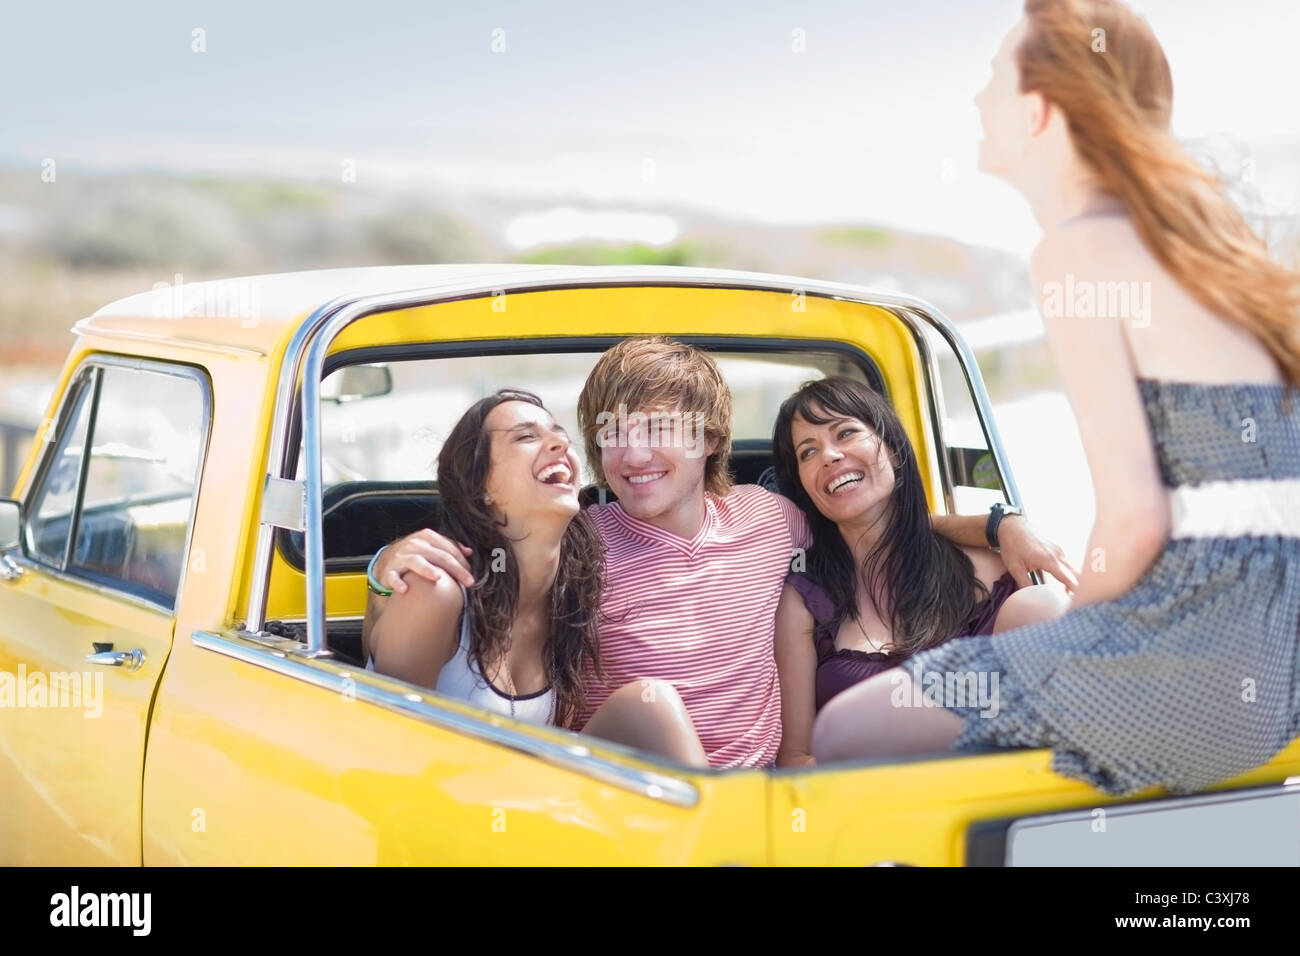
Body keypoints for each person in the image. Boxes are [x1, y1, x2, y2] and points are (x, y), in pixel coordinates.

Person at [812, 0, 1300, 797]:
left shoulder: (1077, 249)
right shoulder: (1216, 253)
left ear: (1038, 110)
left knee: (843, 730)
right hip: (1280, 668)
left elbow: (1136, 521)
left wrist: (1077, 647)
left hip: (1191, 658)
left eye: (994, 77)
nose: (979, 97)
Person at [366, 336, 1075, 768]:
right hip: (641, 798)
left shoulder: (772, 520)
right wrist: (385, 566)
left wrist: (999, 526)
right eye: (611, 437)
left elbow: (874, 519)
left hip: (766, 798)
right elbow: (490, 551)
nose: (631, 457)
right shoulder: (577, 541)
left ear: (708, 439)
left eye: (657, 430)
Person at [362, 387, 708, 766]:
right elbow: (383, 750)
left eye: (560, 435)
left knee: (650, 705)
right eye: (526, 437)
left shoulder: (573, 594)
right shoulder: (437, 588)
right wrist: (380, 574)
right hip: (439, 793)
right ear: (481, 487)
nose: (559, 444)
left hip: (533, 788)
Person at [771, 377, 1068, 767]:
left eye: (845, 433)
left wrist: (1004, 524)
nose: (829, 455)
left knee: (1041, 603)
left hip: (995, 785)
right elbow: (794, 758)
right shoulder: (803, 600)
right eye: (808, 452)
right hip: (872, 796)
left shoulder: (992, 568)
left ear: (893, 451)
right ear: (804, 487)